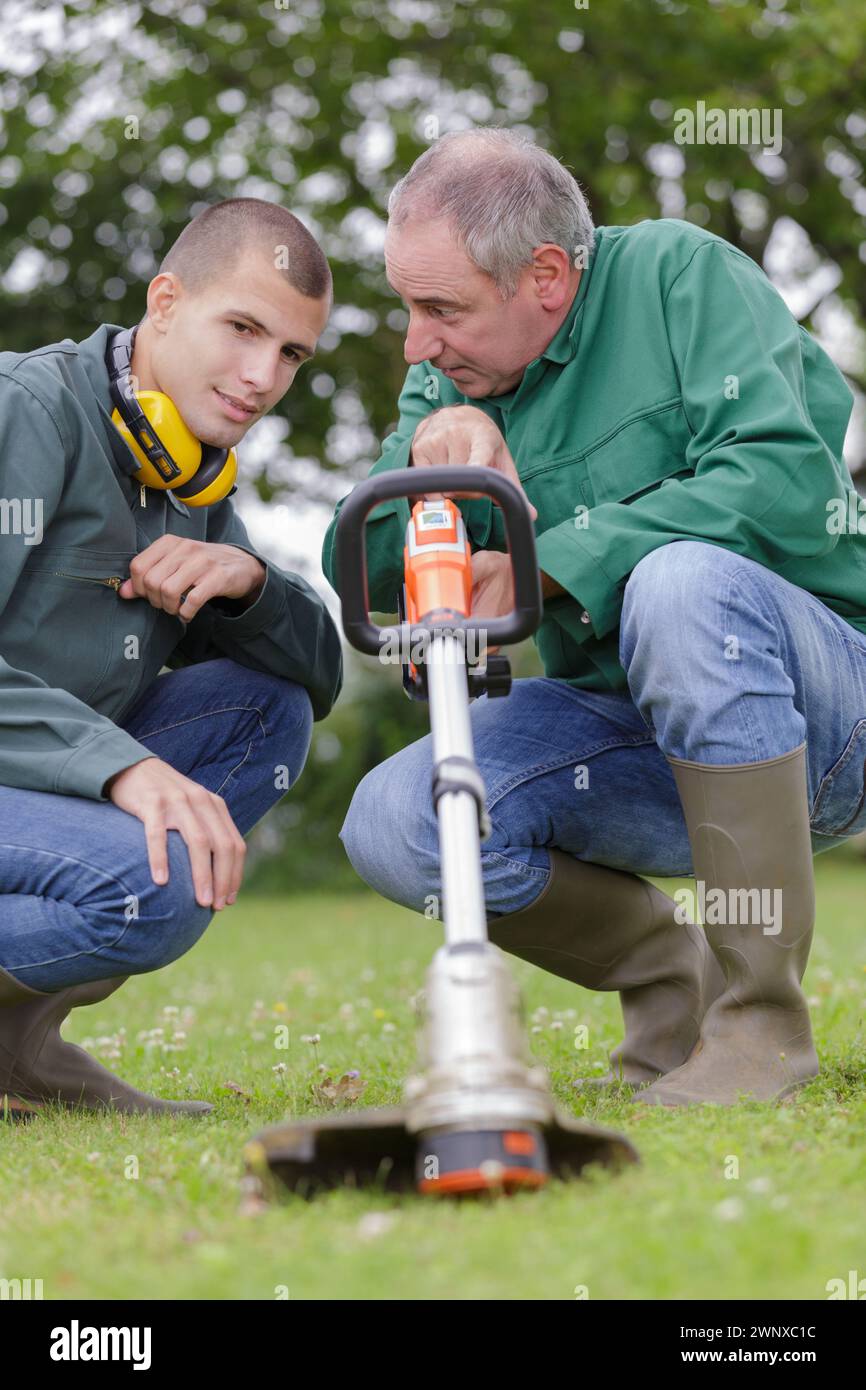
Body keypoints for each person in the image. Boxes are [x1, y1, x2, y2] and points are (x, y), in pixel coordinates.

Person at [323, 127, 866, 1107]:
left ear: (543, 276)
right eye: (406, 307)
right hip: (625, 733)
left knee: (677, 583)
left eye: (439, 308)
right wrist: (430, 467)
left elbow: (783, 479)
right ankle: (675, 979)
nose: (415, 342)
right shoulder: (445, 374)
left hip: (823, 708)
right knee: (397, 824)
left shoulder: (681, 278)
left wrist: (552, 568)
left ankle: (758, 1029)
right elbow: (360, 569)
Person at [0, 197, 342, 1119]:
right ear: (164, 302)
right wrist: (123, 768)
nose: (262, 376)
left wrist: (251, 582)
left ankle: (14, 1051)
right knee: (150, 890)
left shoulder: (191, 468)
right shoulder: (28, 410)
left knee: (267, 710)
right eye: (243, 328)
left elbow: (319, 677)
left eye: (291, 355)